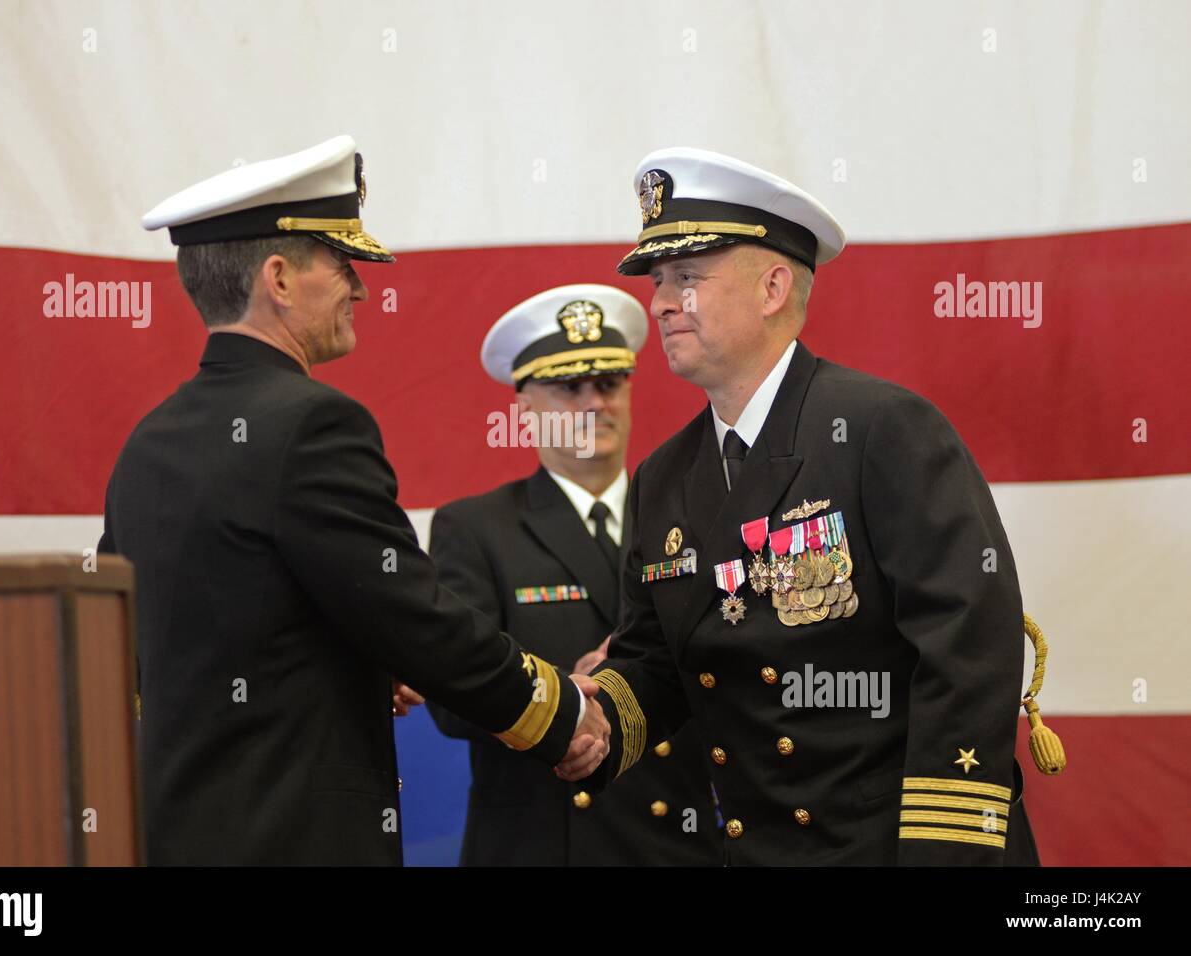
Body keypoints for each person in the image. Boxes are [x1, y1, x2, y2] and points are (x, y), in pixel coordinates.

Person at [97, 135, 607, 865]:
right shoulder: (311, 425)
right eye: (342, 264)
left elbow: (164, 648)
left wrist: (358, 660)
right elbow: (418, 618)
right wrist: (562, 714)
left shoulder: (146, 444)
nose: (361, 289)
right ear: (277, 277)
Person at [558, 147, 1039, 865]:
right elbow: (654, 661)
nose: (659, 302)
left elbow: (969, 647)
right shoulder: (664, 476)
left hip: (898, 849)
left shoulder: (884, 429)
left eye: (686, 278)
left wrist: (944, 851)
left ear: (773, 287)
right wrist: (586, 720)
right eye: (658, 281)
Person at [428, 284, 722, 865]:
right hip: (549, 845)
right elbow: (451, 697)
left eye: (609, 384)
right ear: (524, 408)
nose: (594, 404)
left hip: (678, 844)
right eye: (569, 387)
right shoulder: (475, 529)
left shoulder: (693, 514)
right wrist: (566, 694)